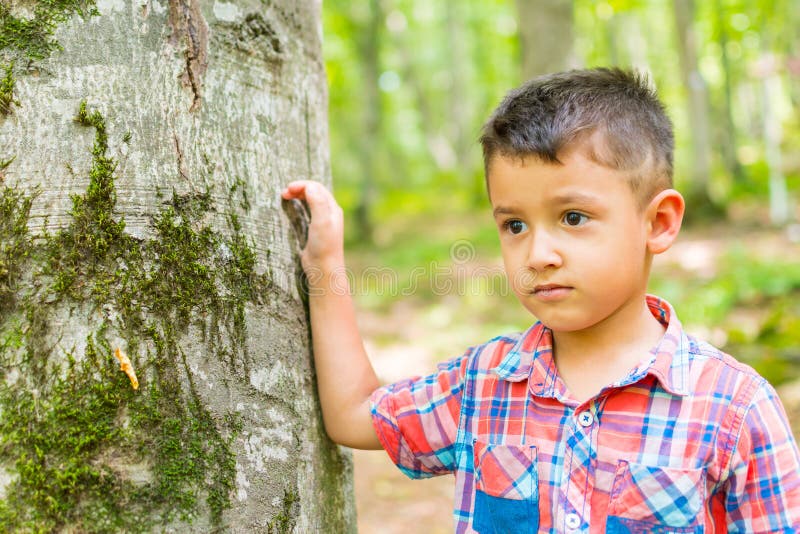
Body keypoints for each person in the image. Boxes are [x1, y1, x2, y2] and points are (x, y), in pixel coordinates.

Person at [280, 68, 800, 533]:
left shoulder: (734, 410)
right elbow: (352, 414)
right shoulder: (482, 386)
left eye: (573, 217)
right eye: (514, 225)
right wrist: (326, 265)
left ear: (657, 223)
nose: (538, 253)